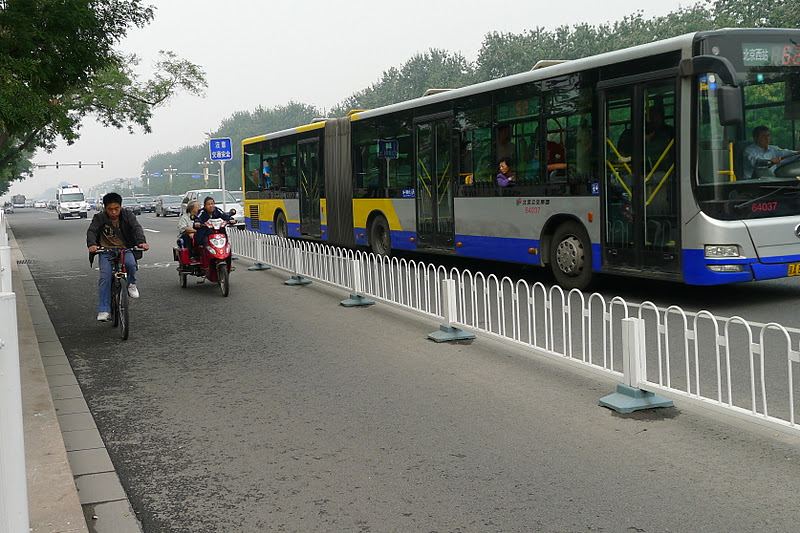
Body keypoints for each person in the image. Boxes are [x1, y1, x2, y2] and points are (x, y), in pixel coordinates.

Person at [86, 192, 149, 322]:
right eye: (110, 209)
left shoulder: (128, 215)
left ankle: (131, 284)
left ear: (120, 207)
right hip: (105, 251)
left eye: (116, 209)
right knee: (105, 277)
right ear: (105, 208)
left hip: (124, 249)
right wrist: (92, 245)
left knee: (131, 264)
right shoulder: (99, 218)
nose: (114, 212)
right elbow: (91, 231)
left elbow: (136, 228)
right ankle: (104, 309)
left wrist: (141, 242)